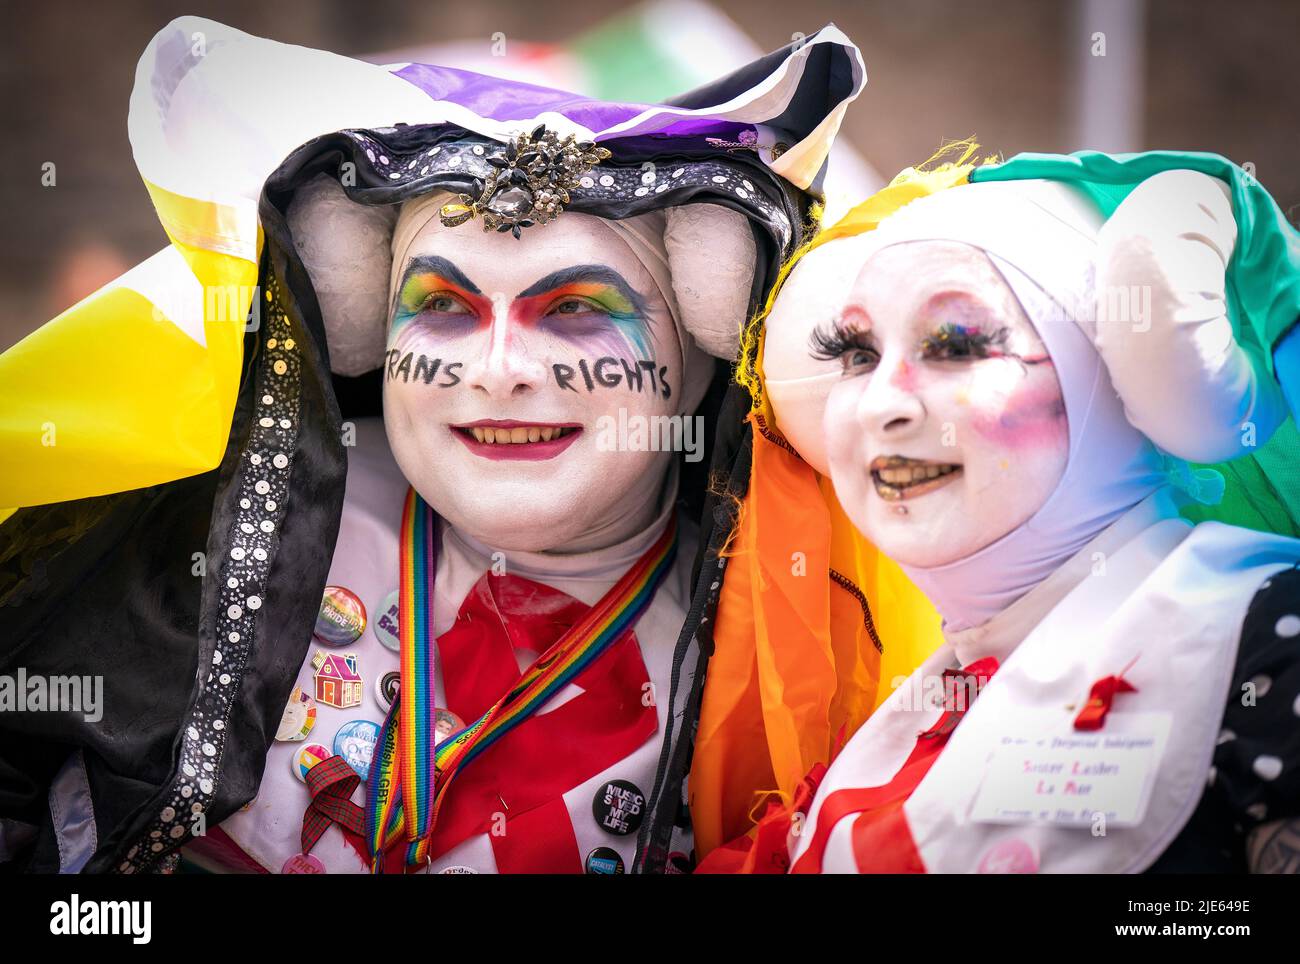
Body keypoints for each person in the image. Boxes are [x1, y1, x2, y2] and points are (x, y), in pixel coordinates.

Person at [0, 17, 867, 874]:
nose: (498, 371)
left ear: (692, 361)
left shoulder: (775, 646)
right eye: (446, 305)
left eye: (574, 309)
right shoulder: (222, 521)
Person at [770, 148, 1300, 873]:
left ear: (1111, 382)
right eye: (857, 355)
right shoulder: (882, 724)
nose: (882, 404)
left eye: (957, 345)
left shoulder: (1271, 636)